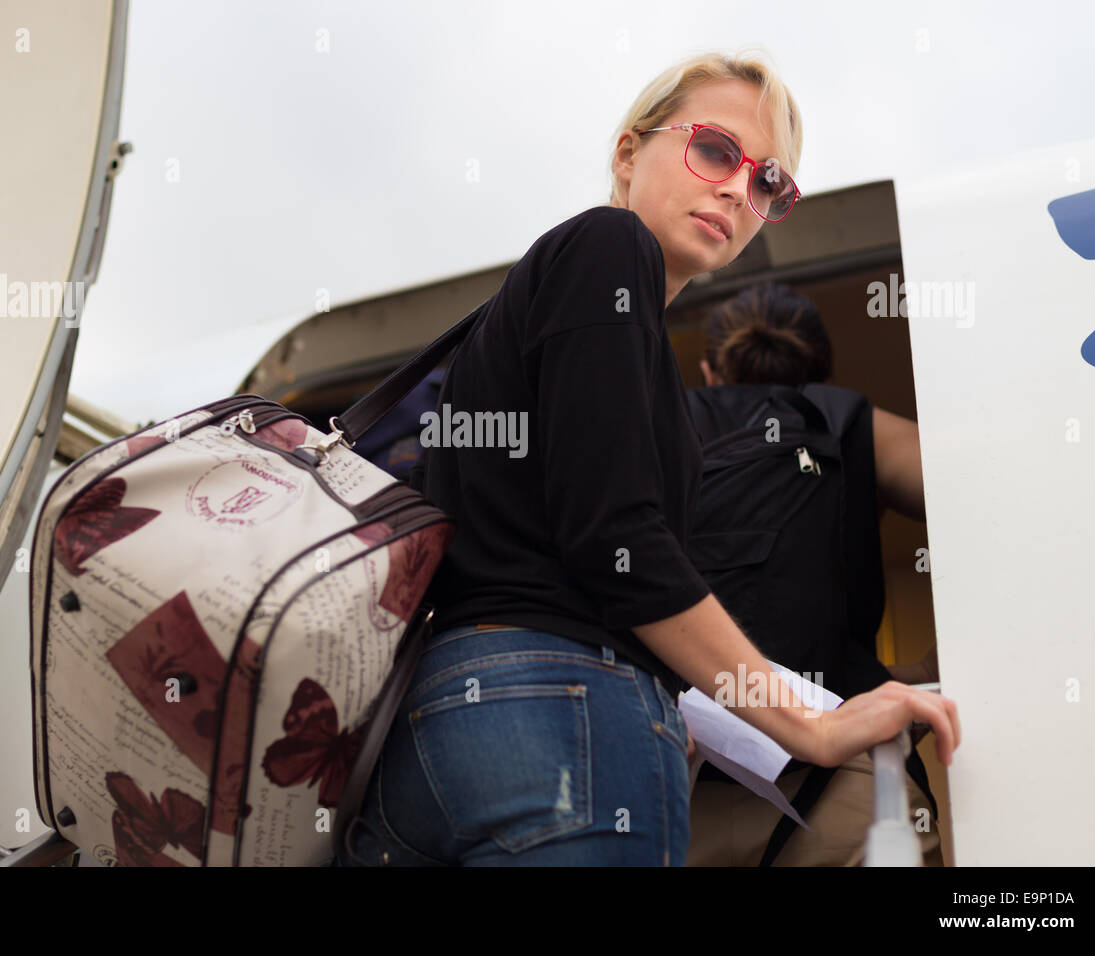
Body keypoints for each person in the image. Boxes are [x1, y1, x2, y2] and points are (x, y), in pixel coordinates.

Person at [337, 50, 959, 867]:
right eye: (716, 150)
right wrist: (814, 725)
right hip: (558, 721)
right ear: (629, 153)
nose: (739, 189)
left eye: (768, 182)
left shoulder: (586, 318)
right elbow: (617, 546)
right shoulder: (609, 245)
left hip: (431, 747)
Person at [683, 281, 943, 866]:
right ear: (821, 369)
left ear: (708, 370)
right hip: (844, 773)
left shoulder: (655, 425)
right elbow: (989, 504)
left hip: (684, 781)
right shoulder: (847, 419)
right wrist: (928, 670)